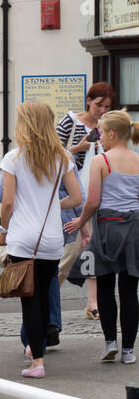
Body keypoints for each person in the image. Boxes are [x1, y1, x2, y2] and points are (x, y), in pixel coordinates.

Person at [0, 102, 83, 379]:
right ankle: (39, 348)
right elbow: (77, 198)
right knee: (44, 296)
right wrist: (54, 205)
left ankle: (37, 361)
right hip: (51, 240)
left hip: (23, 240)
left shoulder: (14, 158)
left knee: (28, 300)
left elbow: (8, 202)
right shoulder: (62, 158)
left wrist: (2, 229)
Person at [65, 111, 139, 364]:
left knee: (105, 288)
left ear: (111, 133)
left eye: (100, 133)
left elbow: (93, 201)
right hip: (134, 230)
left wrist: (80, 221)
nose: (98, 139)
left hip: (107, 229)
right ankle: (129, 350)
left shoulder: (101, 161)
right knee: (130, 291)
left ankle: (110, 343)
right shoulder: (138, 160)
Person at [57, 82, 115, 318]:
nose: (102, 110)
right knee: (70, 250)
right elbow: (52, 154)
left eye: (107, 106)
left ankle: (92, 303)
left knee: (93, 246)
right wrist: (77, 148)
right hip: (73, 193)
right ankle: (49, 293)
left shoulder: (106, 125)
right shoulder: (70, 121)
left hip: (99, 192)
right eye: (99, 105)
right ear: (88, 100)